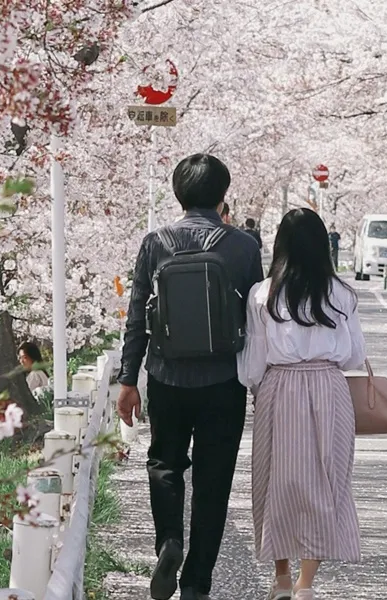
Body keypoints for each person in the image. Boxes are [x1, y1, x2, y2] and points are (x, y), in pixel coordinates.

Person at [117, 154, 265, 600]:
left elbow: (137, 317)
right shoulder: (243, 247)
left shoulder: (155, 242)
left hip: (167, 376)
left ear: (178, 193)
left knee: (165, 464)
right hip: (224, 380)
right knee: (213, 479)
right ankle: (197, 582)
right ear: (223, 195)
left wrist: (128, 380)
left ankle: (169, 543)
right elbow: (257, 320)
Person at [238, 208, 365, 600]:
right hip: (329, 387)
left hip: (279, 388)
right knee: (328, 484)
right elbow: (354, 355)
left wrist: (258, 388)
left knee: (276, 482)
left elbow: (254, 361)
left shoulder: (263, 293)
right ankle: (305, 585)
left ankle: (280, 578)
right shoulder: (341, 293)